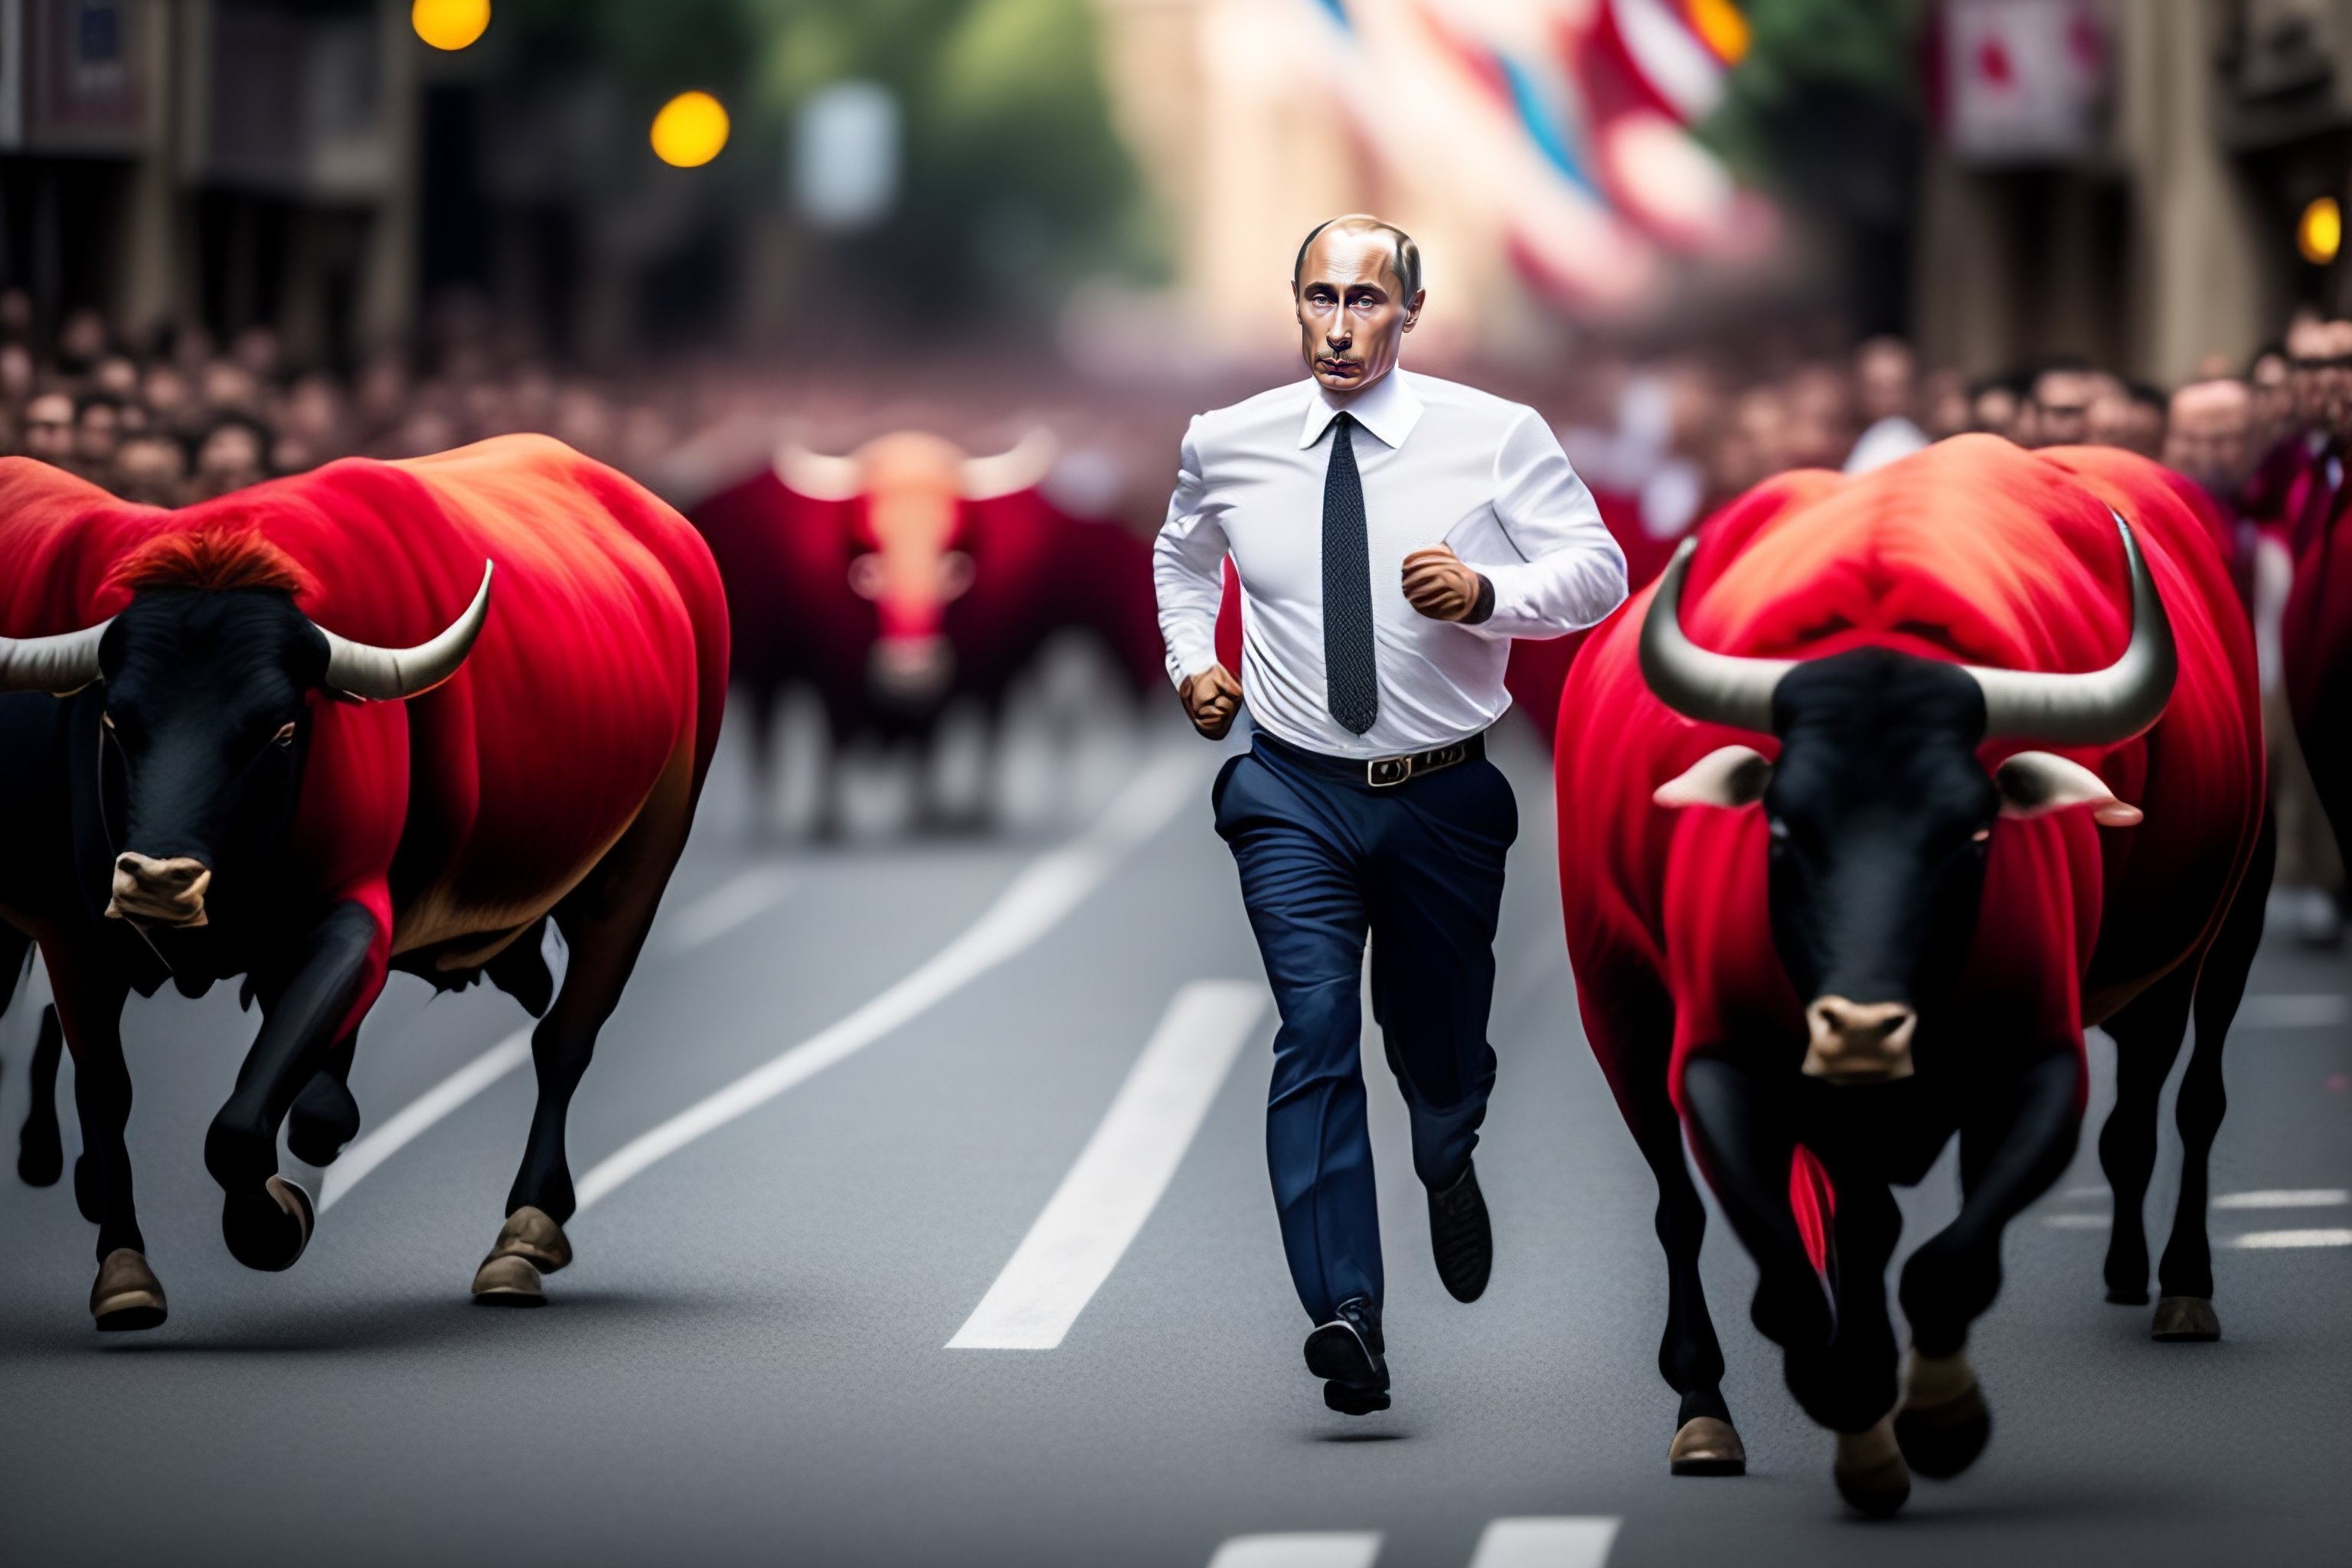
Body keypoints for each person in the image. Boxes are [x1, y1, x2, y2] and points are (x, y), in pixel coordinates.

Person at [1153, 214, 1628, 1416]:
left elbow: (1599, 571)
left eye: (1366, 301)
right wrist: (1192, 661)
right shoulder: (1228, 440)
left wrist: (1487, 592)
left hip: (1443, 795)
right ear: (1295, 305)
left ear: (1410, 313)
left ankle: (1447, 1140)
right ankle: (1346, 1313)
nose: (1339, 325)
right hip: (1290, 791)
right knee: (1313, 1029)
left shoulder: (1496, 437)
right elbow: (1182, 560)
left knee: (1438, 1040)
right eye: (1320, 298)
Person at [1842, 336, 1929, 473]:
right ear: (1856, 388)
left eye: (1897, 387)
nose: (1888, 399)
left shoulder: (1896, 437)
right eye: (1876, 388)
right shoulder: (1843, 440)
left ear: (1915, 389)